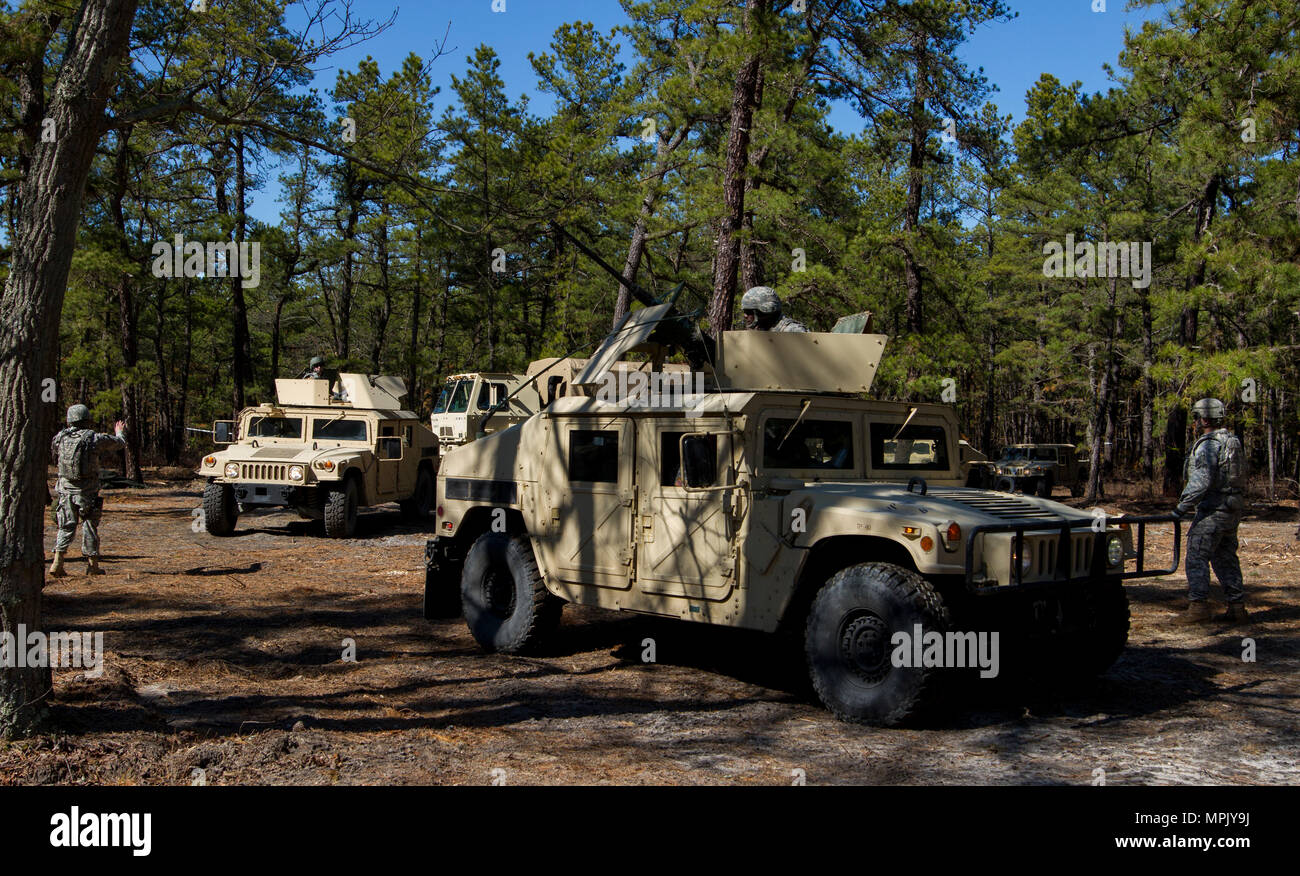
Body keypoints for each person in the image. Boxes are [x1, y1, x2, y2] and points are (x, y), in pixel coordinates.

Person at [1173, 398, 1248, 625]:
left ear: (1204, 418)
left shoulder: (1208, 445)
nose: (1196, 422)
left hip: (1213, 510)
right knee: (1226, 557)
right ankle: (1237, 607)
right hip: (1231, 509)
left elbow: (1202, 480)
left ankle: (1198, 607)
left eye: (1197, 417)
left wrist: (1182, 507)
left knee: (1196, 555)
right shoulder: (1231, 441)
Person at [49, 405, 126, 578]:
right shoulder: (93, 438)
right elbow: (119, 444)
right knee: (89, 525)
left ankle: (57, 562)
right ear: (86, 419)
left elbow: (54, 454)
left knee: (65, 525)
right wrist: (119, 431)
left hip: (65, 489)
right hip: (87, 490)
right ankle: (93, 565)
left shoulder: (59, 437)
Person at [741, 286, 808, 333]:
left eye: (748, 311)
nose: (745, 315)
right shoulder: (760, 331)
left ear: (765, 310)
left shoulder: (793, 331)